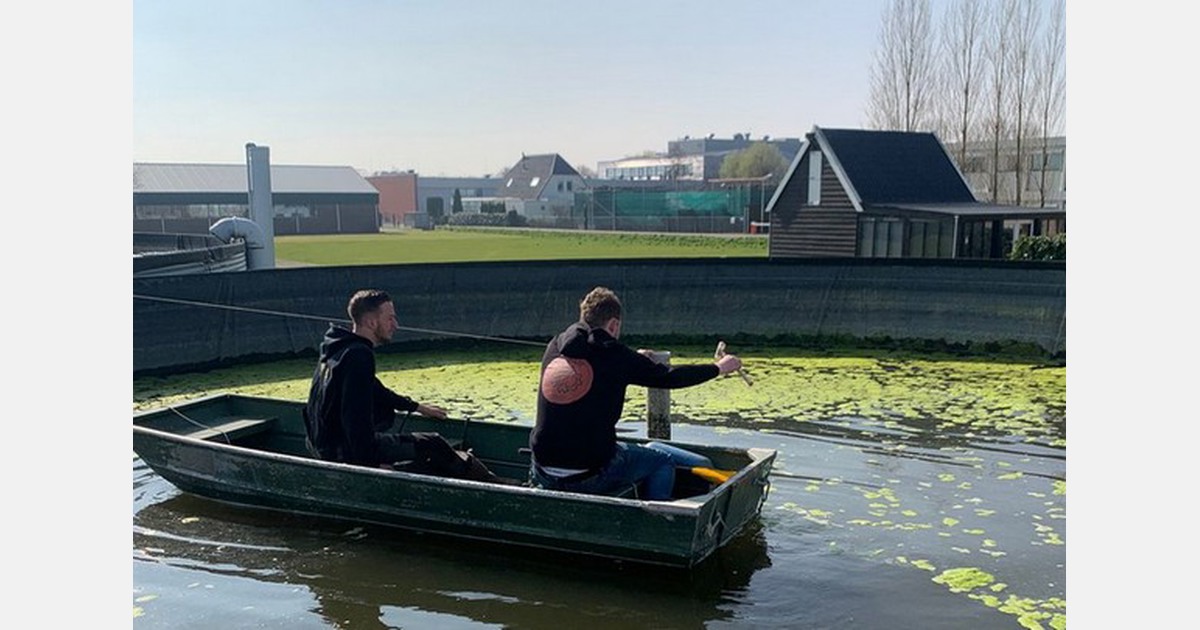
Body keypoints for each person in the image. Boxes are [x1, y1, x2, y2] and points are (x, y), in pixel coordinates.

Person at [529, 286, 743, 500]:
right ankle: (657, 521)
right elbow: (670, 377)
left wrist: (635, 360)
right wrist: (719, 368)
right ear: (613, 325)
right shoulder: (617, 357)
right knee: (662, 460)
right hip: (590, 474)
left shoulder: (555, 346)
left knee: (616, 447)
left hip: (543, 470)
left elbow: (598, 364)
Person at [303, 289, 499, 482]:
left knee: (388, 421)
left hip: (320, 443)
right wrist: (369, 465)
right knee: (433, 443)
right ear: (372, 322)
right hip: (339, 450)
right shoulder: (359, 356)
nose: (395, 325)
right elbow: (354, 418)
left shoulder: (338, 347)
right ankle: (487, 482)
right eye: (390, 318)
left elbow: (376, 391)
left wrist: (417, 407)